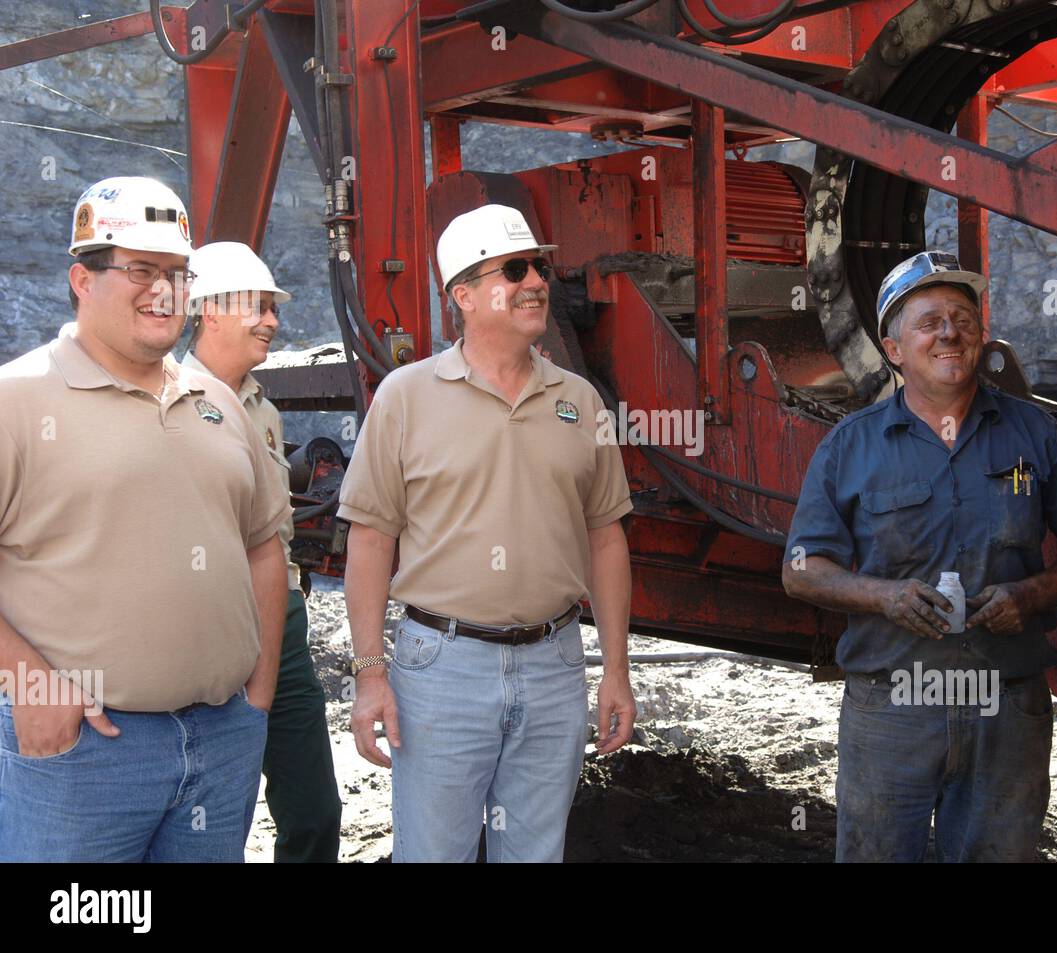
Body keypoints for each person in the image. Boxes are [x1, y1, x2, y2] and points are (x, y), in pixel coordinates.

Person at [783, 250, 1057, 862]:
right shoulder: (849, 448)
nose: (949, 333)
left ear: (981, 336)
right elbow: (801, 570)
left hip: (1005, 707)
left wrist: (1030, 595)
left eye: (963, 319)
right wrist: (883, 596)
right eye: (929, 321)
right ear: (894, 349)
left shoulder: (1034, 434)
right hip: (893, 708)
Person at [0, 177, 288, 861]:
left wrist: (258, 697)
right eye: (140, 269)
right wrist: (31, 685)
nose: (163, 290)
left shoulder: (216, 402)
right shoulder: (17, 399)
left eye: (177, 274)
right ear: (82, 278)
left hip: (222, 743)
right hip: (84, 754)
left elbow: (260, 546)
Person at [340, 203, 637, 862]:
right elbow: (369, 538)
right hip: (441, 668)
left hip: (555, 665)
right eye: (515, 268)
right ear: (463, 296)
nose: (537, 280)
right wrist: (369, 674)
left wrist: (614, 668)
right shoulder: (405, 397)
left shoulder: (578, 401)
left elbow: (606, 538)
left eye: (540, 265)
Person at [184, 241, 343, 862]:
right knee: (209, 813)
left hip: (284, 624)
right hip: (207, 626)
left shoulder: (266, 413)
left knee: (314, 809)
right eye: (258, 306)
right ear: (209, 310)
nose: (273, 321)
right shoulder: (165, 401)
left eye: (273, 308)